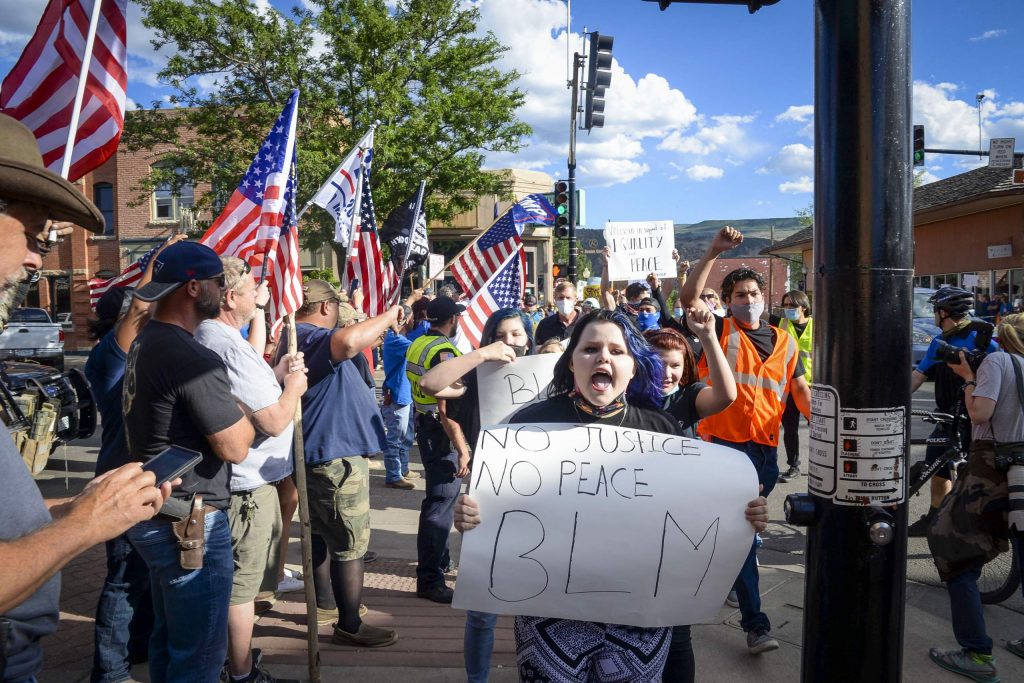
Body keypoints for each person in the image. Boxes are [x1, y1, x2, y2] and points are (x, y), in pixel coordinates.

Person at [454, 310, 770, 681]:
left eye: (616, 351)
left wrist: (742, 513)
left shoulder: (662, 429)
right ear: (572, 362)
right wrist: (471, 516)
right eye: (590, 348)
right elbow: (495, 505)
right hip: (551, 615)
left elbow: (694, 508)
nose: (603, 357)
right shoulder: (529, 424)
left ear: (633, 367)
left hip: (638, 618)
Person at [0, 113, 174, 683]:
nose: (37, 259)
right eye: (32, 234)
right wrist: (84, 525)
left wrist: (72, 509)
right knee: (123, 588)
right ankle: (112, 669)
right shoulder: (111, 358)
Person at [122, 241, 257, 682]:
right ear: (195, 287)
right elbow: (236, 446)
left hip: (161, 510)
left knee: (170, 642)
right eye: (220, 281)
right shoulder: (189, 355)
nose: (224, 289)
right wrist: (244, 411)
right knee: (198, 656)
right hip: (190, 524)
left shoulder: (148, 340)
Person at [678, 226, 812, 655]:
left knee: (734, 532)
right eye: (739, 295)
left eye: (754, 293)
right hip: (723, 448)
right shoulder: (717, 332)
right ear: (729, 301)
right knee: (742, 533)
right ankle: (756, 624)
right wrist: (714, 251)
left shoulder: (786, 341)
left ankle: (721, 575)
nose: (748, 299)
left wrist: (830, 429)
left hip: (765, 453)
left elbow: (800, 391)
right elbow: (689, 299)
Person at [194, 256, 308, 683]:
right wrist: (294, 387)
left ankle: (232, 663)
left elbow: (249, 396)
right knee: (241, 590)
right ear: (229, 297)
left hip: (250, 483)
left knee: (241, 585)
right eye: (250, 290)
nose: (256, 294)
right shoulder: (223, 342)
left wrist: (277, 375)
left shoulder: (222, 338)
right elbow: (274, 420)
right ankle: (239, 671)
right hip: (246, 487)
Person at [87, 234, 188, 683]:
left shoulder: (141, 354)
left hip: (148, 482)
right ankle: (109, 672)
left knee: (146, 577)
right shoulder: (110, 357)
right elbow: (138, 310)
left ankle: (139, 647)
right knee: (125, 579)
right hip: (120, 483)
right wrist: (159, 261)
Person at [418, 307, 533, 683]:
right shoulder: (477, 383)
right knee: (482, 612)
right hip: (488, 501)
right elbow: (432, 385)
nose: (510, 342)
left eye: (517, 335)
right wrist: (481, 356)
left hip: (543, 502)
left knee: (539, 606)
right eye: (501, 335)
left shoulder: (554, 383)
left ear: (529, 340)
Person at [290, 279, 400, 647]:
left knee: (325, 533)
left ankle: (326, 605)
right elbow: (349, 341)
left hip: (329, 454)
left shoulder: (303, 337)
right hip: (333, 458)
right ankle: (349, 624)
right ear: (325, 307)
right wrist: (390, 315)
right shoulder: (305, 336)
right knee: (350, 543)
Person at [927, 313, 1024, 683]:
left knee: (956, 551)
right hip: (1021, 470)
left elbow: (980, 412)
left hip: (993, 468)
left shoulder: (999, 361)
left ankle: (976, 653)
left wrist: (969, 379)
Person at [644, 313, 737, 682]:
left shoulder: (689, 398)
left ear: (685, 370)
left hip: (677, 531)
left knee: (678, 633)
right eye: (657, 363)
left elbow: (727, 395)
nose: (666, 372)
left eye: (674, 365)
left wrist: (709, 338)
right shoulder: (623, 400)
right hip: (631, 530)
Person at [909, 286, 998, 536]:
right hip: (946, 414)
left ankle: (968, 527)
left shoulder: (984, 341)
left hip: (976, 417)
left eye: (935, 309)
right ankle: (933, 518)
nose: (934, 315)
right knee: (935, 465)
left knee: (971, 472)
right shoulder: (940, 342)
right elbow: (918, 376)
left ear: (944, 312)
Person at [405, 296, 474, 604]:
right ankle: (431, 579)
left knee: (438, 503)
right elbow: (447, 410)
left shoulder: (418, 343)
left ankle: (439, 564)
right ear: (452, 320)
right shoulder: (444, 352)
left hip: (426, 424)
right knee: (440, 507)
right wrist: (462, 449)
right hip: (442, 432)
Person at [381, 303, 419, 490]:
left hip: (404, 394)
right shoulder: (395, 339)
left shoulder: (397, 337)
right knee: (396, 437)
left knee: (406, 436)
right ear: (406, 319)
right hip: (398, 395)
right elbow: (418, 350)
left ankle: (402, 469)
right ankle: (393, 475)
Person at [777, 290, 813, 483]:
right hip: (789, 386)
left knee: (818, 426)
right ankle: (793, 465)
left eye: (792, 305)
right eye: (786, 305)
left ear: (804, 307)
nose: (788, 309)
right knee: (790, 428)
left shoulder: (818, 326)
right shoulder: (782, 324)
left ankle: (822, 463)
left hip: (812, 385)